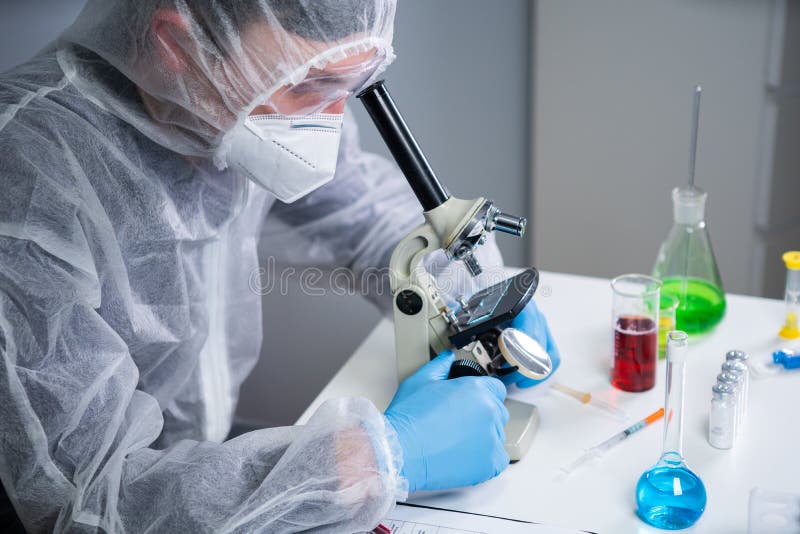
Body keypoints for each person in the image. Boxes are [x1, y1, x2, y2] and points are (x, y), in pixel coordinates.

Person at [0, 1, 560, 532]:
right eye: (313, 85)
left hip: (209, 459)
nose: (331, 118)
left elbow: (364, 211)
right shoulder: (27, 181)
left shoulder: (237, 98)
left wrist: (473, 299)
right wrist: (378, 456)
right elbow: (82, 503)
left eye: (352, 87)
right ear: (179, 42)